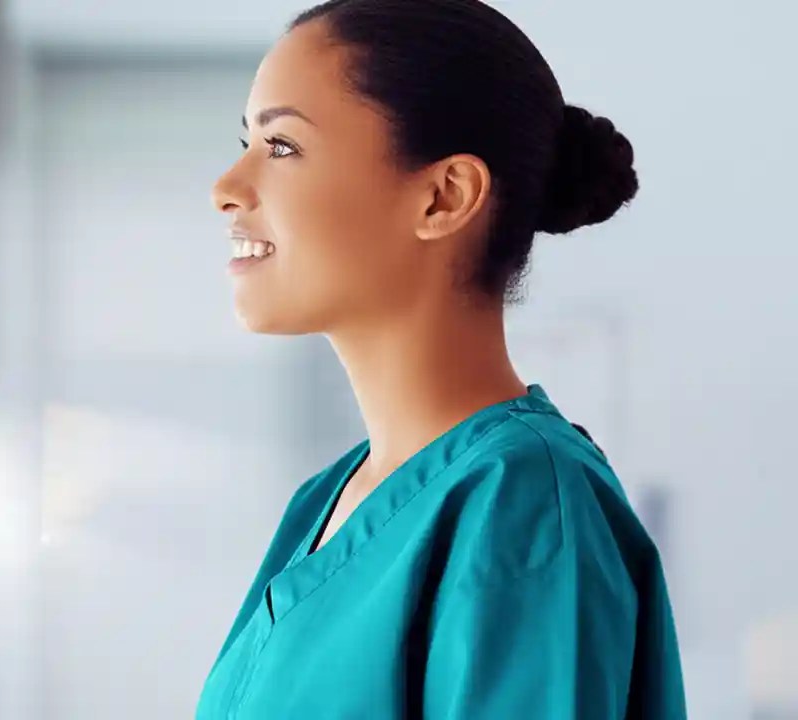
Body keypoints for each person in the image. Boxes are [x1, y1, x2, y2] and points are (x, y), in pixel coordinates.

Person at [197, 0, 686, 717]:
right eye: (248, 142)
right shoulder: (323, 503)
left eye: (282, 147)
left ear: (443, 197)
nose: (226, 189)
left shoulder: (525, 508)